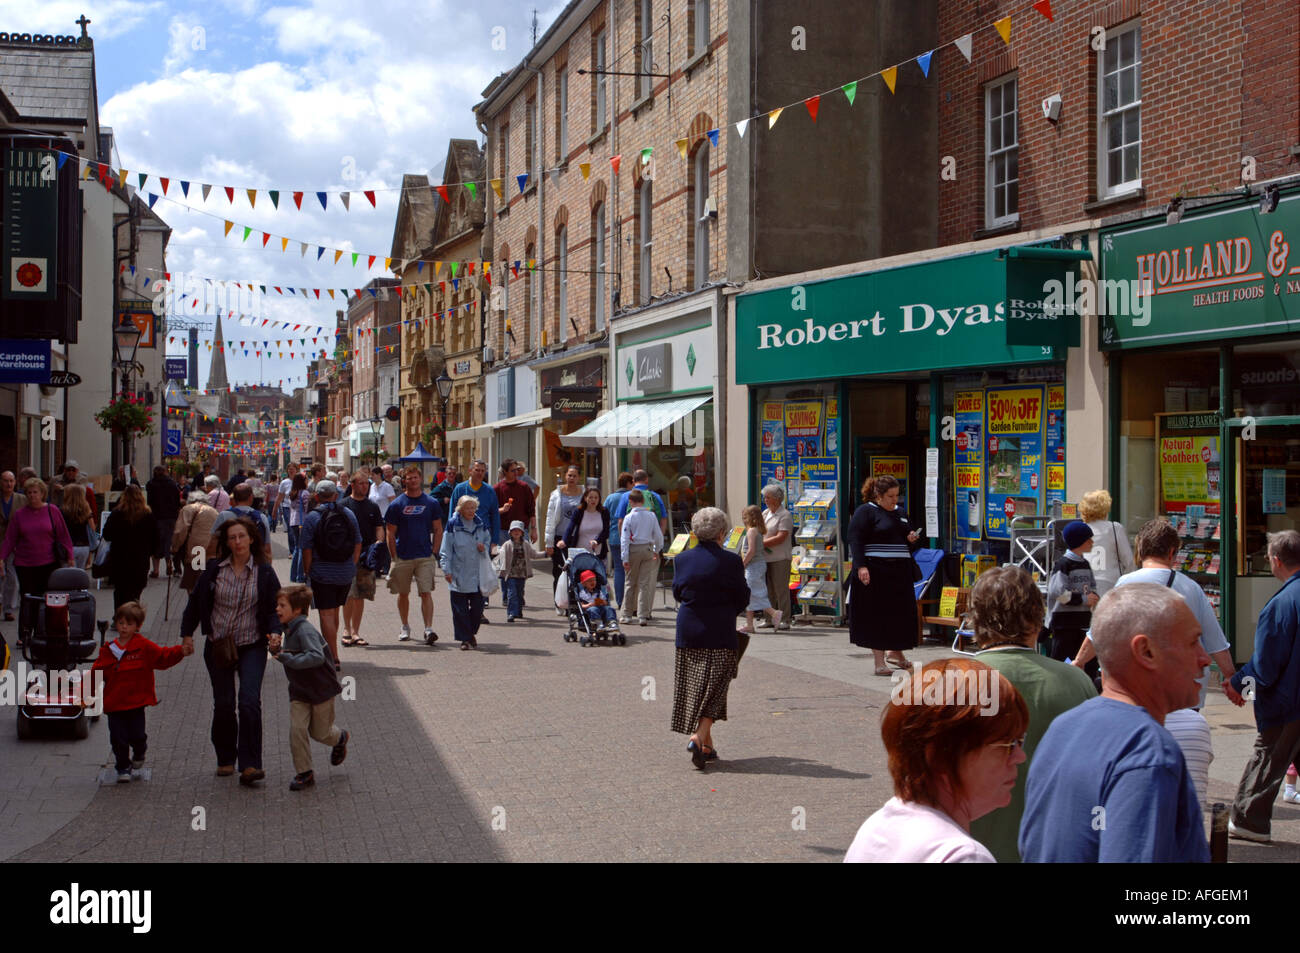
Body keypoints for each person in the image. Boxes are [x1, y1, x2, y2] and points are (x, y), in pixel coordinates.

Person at [1019, 584, 1211, 862]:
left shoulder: (1064, 728)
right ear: (1146, 651)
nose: (1205, 659)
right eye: (1193, 642)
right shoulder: (1147, 752)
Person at [965, 566, 1096, 862]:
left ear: (975, 619)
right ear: (1037, 619)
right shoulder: (1076, 683)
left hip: (970, 849)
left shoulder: (949, 685)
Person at [844, 658, 1029, 863]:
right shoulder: (962, 855)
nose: (1020, 757)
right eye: (1007, 745)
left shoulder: (878, 827)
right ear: (940, 755)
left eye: (1020, 741)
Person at [1073, 518, 1239, 708]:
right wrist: (1231, 679)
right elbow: (1216, 642)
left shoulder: (1125, 584)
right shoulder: (1192, 588)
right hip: (1185, 692)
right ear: (1171, 552)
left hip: (1138, 689)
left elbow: (1098, 633)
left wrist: (1079, 662)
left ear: (1141, 551)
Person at [181, 516, 283, 786]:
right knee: (225, 704)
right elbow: (195, 604)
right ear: (226, 543)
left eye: (241, 536)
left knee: (249, 701)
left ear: (251, 539)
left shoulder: (265, 572)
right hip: (219, 645)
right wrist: (186, 635)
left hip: (252, 645)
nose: (237, 542)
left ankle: (250, 764)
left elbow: (274, 608)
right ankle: (226, 756)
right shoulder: (214, 570)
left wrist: (276, 632)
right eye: (232, 538)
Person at [1227, 530, 1300, 843]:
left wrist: (1240, 686)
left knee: (1268, 755)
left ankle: (1249, 819)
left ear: (1275, 560)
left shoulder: (1282, 603)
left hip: (1288, 701)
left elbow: (1267, 665)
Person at [670, 507, 751, 769]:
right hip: (720, 629)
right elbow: (742, 597)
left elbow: (678, 592)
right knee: (716, 687)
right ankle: (698, 737)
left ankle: (706, 745)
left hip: (690, 628)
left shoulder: (682, 560)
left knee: (695, 686)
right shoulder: (731, 561)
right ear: (721, 533)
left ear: (695, 532)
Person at [91, 601, 191, 783]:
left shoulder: (143, 646)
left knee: (137, 735)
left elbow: (162, 656)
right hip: (115, 703)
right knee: (117, 738)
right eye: (121, 623)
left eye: (129, 624)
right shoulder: (109, 650)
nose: (124, 627)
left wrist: (180, 651)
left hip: (136, 702)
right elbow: (96, 672)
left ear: (138, 626)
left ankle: (139, 752)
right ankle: (122, 767)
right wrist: (88, 694)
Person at [267, 584, 350, 792]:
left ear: (297, 610)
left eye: (282, 605)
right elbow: (290, 656)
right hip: (300, 690)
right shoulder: (289, 628)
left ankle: (340, 737)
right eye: (277, 604)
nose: (277, 609)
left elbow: (316, 656)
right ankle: (304, 772)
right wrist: (276, 649)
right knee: (297, 730)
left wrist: (286, 657)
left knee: (320, 733)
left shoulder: (305, 630)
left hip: (320, 690)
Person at [847, 474, 922, 674]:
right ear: (878, 495)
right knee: (876, 614)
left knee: (900, 614)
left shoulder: (901, 513)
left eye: (897, 495)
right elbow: (855, 540)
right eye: (890, 496)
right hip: (876, 571)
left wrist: (912, 539)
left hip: (899, 572)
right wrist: (861, 566)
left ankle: (896, 653)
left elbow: (905, 540)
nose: (894, 500)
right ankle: (879, 662)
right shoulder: (866, 512)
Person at [1, 478, 74, 642]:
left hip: (48, 563)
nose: (32, 496)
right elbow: (10, 539)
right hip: (25, 564)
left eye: (36, 492)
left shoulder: (52, 511)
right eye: (29, 493)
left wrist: (70, 556)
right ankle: (25, 634)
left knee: (46, 599)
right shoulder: (20, 515)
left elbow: (63, 535)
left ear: (42, 493)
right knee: (27, 599)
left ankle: (45, 630)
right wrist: (2, 558)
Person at [299, 480, 362, 666]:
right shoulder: (348, 514)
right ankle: (332, 648)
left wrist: (307, 571)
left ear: (316, 496)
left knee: (325, 614)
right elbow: (358, 541)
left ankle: (333, 656)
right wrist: (352, 564)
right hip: (344, 573)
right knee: (334, 610)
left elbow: (306, 549)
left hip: (322, 573)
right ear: (336, 495)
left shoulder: (312, 517)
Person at [386, 465, 444, 645]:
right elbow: (390, 533)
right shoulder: (397, 504)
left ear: (420, 479)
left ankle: (428, 629)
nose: (412, 480)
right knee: (403, 593)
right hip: (403, 556)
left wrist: (434, 552)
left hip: (424, 556)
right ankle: (405, 626)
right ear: (404, 481)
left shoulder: (431, 503)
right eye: (409, 478)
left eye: (415, 477)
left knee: (426, 592)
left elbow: (438, 529)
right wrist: (394, 556)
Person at [439, 495, 493, 650]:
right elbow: (446, 550)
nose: (471, 511)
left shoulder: (480, 524)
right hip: (458, 573)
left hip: (477, 574)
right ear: (460, 509)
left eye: (473, 508)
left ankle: (470, 634)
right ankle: (465, 639)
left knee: (478, 608)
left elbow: (487, 542)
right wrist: (446, 570)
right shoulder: (452, 525)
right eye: (468, 508)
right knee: (460, 610)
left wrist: (484, 548)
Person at [341, 471, 385, 647]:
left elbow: (379, 527)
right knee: (348, 595)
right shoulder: (344, 505)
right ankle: (346, 629)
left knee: (361, 595)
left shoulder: (372, 506)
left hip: (367, 556)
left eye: (367, 484)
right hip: (348, 556)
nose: (365, 487)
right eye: (361, 483)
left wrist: (379, 543)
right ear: (353, 485)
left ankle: (355, 632)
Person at [1045, 520, 1097, 665]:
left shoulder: (1085, 564)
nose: (1092, 542)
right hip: (1064, 623)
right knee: (1061, 660)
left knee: (1081, 659)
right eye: (1089, 539)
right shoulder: (1063, 564)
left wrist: (1094, 596)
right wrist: (1083, 600)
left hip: (1082, 621)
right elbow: (1058, 594)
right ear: (1080, 541)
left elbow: (1092, 585)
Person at [494, 459, 537, 610]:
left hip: (521, 530)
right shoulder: (498, 488)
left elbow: (531, 509)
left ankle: (518, 593)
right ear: (505, 472)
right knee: (504, 564)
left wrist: (533, 529)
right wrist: (501, 509)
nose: (516, 472)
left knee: (521, 563)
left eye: (517, 470)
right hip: (503, 531)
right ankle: (507, 595)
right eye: (513, 470)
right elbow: (493, 512)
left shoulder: (524, 487)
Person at [620, 490, 664, 626]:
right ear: (643, 501)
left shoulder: (629, 517)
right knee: (644, 583)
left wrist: (624, 558)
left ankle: (627, 614)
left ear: (631, 502)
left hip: (634, 549)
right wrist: (657, 549)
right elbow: (658, 535)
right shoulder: (651, 515)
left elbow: (625, 539)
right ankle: (643, 615)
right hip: (648, 549)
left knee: (630, 582)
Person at [1078, 489, 1134, 596]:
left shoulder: (1080, 530)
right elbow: (1128, 561)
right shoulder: (1114, 528)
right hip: (1110, 583)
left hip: (1084, 583)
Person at [543, 465, 587, 597]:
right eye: (569, 475)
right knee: (559, 571)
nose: (571, 478)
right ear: (565, 476)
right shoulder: (556, 494)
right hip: (559, 538)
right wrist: (548, 543)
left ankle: (574, 603)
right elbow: (550, 519)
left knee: (577, 571)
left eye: (574, 475)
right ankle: (559, 601)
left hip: (578, 538)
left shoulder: (585, 494)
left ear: (579, 477)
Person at [740, 504, 783, 634]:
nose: (743, 519)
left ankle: (774, 613)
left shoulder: (752, 531)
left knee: (754, 593)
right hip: (757, 565)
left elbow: (751, 550)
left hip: (753, 565)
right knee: (751, 594)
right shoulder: (757, 530)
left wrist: (743, 563)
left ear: (750, 517)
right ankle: (749, 625)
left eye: (744, 516)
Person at [759, 484, 794, 629]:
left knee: (781, 589)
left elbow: (781, 537)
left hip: (780, 558)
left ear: (777, 499)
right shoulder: (765, 513)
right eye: (765, 497)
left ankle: (785, 619)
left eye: (768, 497)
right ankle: (769, 618)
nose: (765, 500)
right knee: (767, 590)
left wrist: (761, 544)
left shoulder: (785, 515)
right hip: (765, 558)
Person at [208, 484, 272, 561]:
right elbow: (267, 548)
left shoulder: (223, 516)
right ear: (251, 498)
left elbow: (212, 543)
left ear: (234, 499)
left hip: (228, 563)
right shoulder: (261, 517)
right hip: (254, 565)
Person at [172, 491, 219, 592]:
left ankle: (195, 604)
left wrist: (175, 547)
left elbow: (180, 531)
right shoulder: (214, 511)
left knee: (193, 582)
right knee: (205, 578)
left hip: (196, 550)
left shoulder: (188, 509)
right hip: (211, 550)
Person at [602, 472, 634, 609]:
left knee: (619, 569)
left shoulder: (611, 498)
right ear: (628, 483)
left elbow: (603, 515)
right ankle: (630, 602)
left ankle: (620, 601)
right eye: (632, 483)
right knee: (632, 570)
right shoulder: (632, 497)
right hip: (631, 537)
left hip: (614, 536)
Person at [452, 459, 502, 545]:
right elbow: (452, 513)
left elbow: (495, 516)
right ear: (470, 471)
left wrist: (494, 541)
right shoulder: (460, 489)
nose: (480, 473)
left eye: (482, 471)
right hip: (463, 534)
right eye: (477, 470)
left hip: (484, 536)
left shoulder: (490, 491)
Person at [497, 520, 538, 622]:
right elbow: (500, 553)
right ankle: (511, 613)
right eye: (514, 530)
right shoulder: (507, 544)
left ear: (522, 533)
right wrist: (494, 550)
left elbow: (534, 554)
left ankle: (518, 611)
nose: (516, 532)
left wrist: (546, 554)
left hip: (522, 574)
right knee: (512, 593)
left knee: (519, 593)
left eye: (518, 530)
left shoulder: (526, 544)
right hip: (511, 574)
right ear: (510, 532)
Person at [145, 465, 182, 579]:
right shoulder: (172, 484)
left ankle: (155, 570)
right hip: (171, 517)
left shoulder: (151, 484)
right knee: (168, 541)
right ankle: (168, 564)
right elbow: (177, 500)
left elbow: (149, 501)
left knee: (156, 542)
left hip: (156, 517)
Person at [0, 470, 26, 621]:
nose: (8, 484)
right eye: (5, 481)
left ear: (15, 482)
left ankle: (9, 608)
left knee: (12, 576)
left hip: (14, 543)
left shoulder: (22, 499)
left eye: (11, 481)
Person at [560, 487, 610, 564]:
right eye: (590, 497)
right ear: (585, 498)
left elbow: (606, 531)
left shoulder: (604, 512)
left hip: (598, 552)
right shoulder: (579, 511)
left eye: (596, 497)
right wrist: (564, 540)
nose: (593, 500)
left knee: (597, 575)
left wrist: (597, 541)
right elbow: (570, 527)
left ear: (599, 499)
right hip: (580, 551)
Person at [59, 484, 96, 571]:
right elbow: (93, 528)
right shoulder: (86, 510)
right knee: (80, 574)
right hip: (84, 546)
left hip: (69, 546)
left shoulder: (63, 510)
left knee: (68, 576)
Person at [50, 459, 98, 525]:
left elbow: (81, 492)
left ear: (77, 471)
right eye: (68, 470)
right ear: (64, 470)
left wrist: (63, 489)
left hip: (76, 510)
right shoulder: (55, 480)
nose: (71, 472)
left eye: (73, 470)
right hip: (59, 508)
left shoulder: (82, 479)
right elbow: (49, 494)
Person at [576, 569, 619, 635]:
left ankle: (612, 622)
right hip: (589, 612)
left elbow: (605, 602)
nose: (592, 582)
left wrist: (601, 602)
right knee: (593, 609)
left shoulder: (599, 592)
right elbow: (581, 605)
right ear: (584, 583)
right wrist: (589, 605)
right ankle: (598, 624)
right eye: (589, 581)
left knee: (609, 608)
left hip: (600, 609)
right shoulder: (582, 594)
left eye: (594, 580)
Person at [287, 472, 311, 583]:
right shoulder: (305, 493)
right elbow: (306, 509)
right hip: (302, 522)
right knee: (302, 548)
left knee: (297, 548)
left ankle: (293, 575)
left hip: (293, 521)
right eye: (306, 478)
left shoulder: (292, 493)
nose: (307, 480)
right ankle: (300, 575)